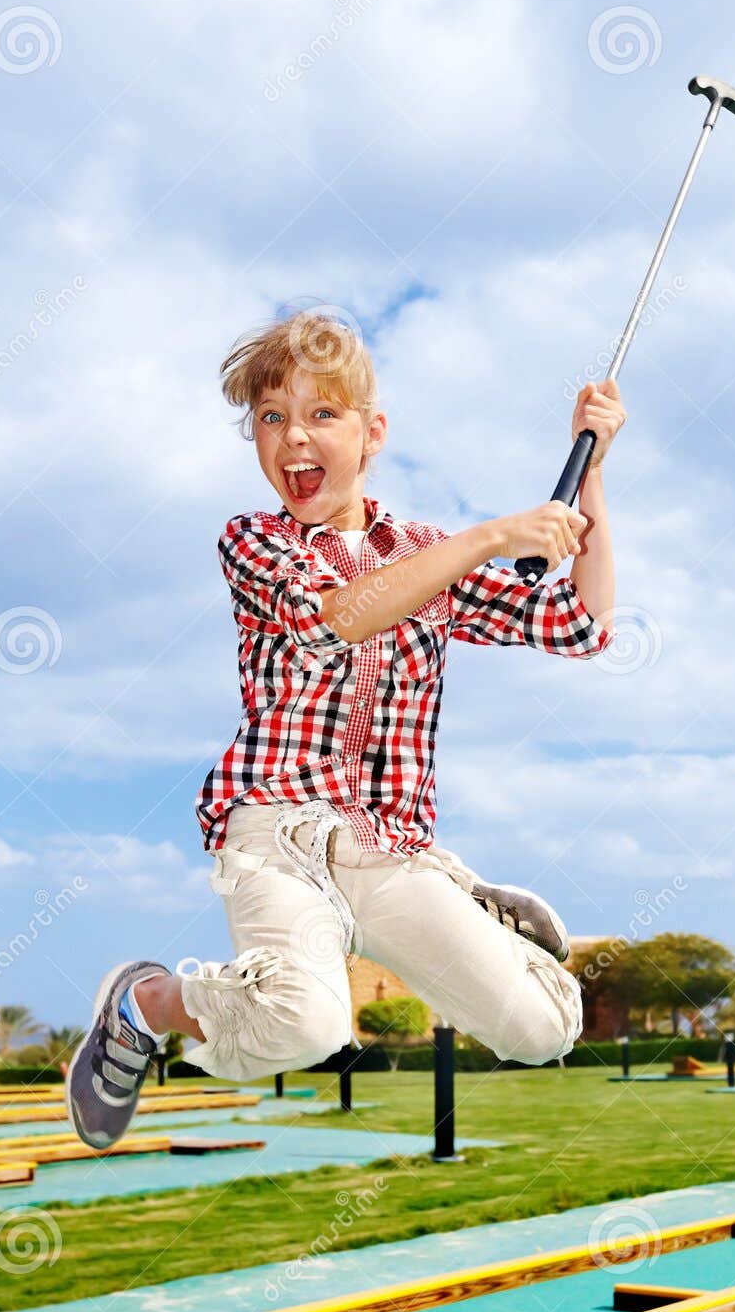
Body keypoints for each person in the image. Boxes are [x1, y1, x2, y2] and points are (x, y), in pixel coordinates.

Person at [66, 310, 625, 1149]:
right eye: (271, 417)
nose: (294, 437)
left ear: (372, 433)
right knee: (306, 1027)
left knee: (544, 1029)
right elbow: (336, 619)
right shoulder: (254, 543)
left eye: (322, 414)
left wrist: (591, 475)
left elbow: (581, 622)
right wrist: (491, 537)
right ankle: (143, 1006)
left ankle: (465, 900)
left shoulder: (430, 552)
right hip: (278, 831)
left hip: (389, 847)